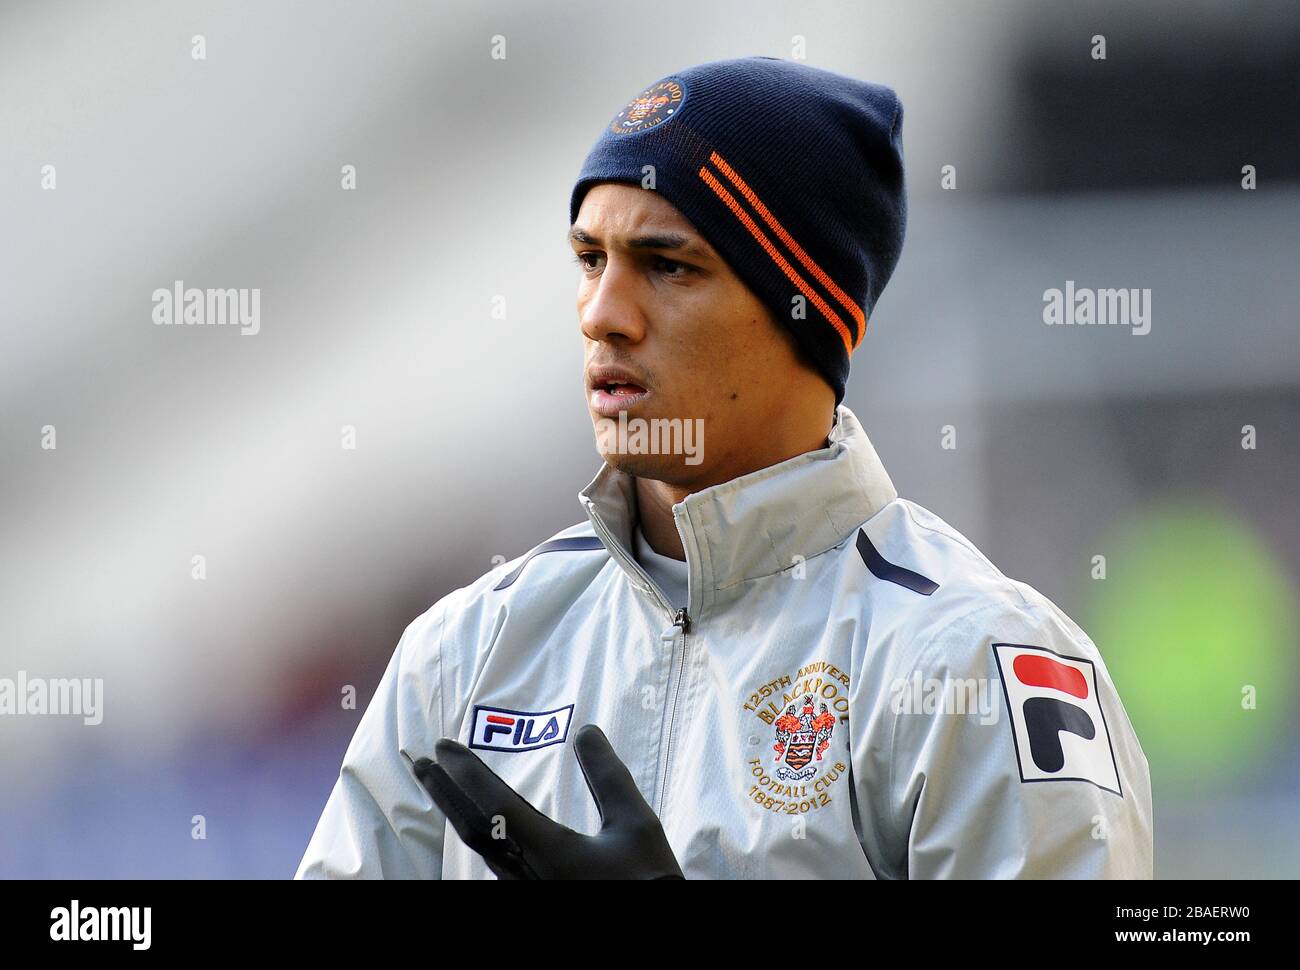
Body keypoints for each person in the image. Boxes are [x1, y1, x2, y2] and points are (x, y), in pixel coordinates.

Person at [296, 56, 1153, 880]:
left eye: (668, 266)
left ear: (807, 311)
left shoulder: (975, 662)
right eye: (590, 260)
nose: (602, 315)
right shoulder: (463, 651)